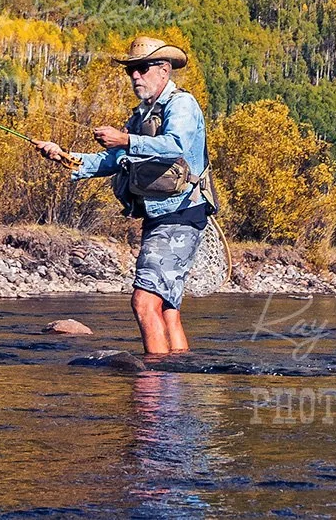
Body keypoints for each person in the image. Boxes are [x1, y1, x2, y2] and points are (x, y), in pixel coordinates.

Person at [35, 36, 210, 355]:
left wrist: (125, 139)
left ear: (164, 70)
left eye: (142, 68)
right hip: (162, 217)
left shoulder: (181, 104)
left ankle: (154, 389)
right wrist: (63, 156)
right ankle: (178, 382)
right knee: (166, 308)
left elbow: (175, 146)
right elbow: (113, 161)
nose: (135, 76)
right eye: (131, 70)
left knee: (144, 302)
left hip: (181, 215)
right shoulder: (141, 116)